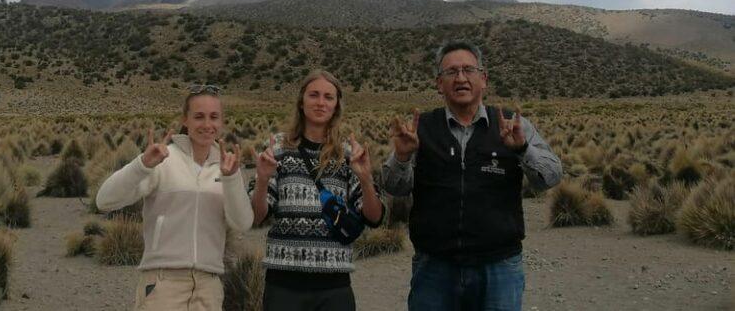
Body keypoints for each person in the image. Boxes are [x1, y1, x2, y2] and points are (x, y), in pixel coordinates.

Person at [382, 39, 562, 311]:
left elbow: (551, 177)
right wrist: (403, 157)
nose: (461, 78)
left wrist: (523, 149)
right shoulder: (421, 129)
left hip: (499, 266)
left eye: (468, 70)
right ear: (439, 83)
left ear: (484, 79)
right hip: (435, 267)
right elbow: (394, 188)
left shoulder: (513, 125)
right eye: (451, 72)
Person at [96, 84, 253, 311]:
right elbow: (105, 200)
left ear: (221, 122)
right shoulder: (163, 161)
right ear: (185, 120)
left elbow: (243, 222)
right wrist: (141, 166)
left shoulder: (227, 167)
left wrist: (230, 179)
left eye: (214, 117)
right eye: (199, 116)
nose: (207, 125)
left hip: (209, 286)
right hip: (162, 283)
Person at [250, 69, 385, 311]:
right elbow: (257, 216)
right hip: (283, 284)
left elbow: (374, 217)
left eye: (328, 97)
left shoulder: (347, 154)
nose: (320, 102)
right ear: (301, 102)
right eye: (314, 95)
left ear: (336, 106)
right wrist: (261, 180)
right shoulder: (277, 148)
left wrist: (365, 178)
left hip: (334, 286)